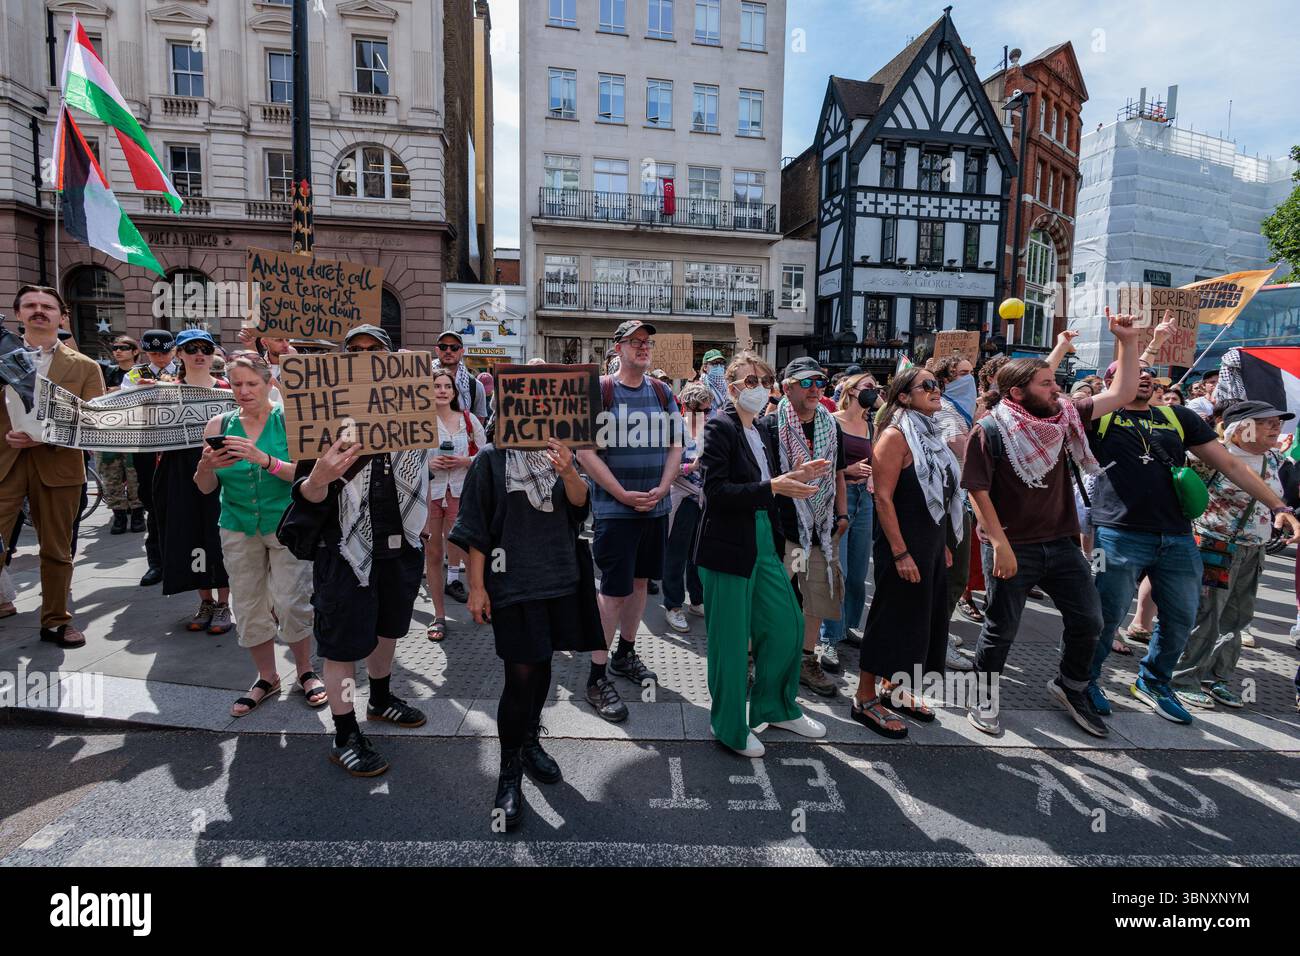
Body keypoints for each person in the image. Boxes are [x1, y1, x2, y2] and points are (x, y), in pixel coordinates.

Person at [1086, 353, 1300, 724]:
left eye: (1150, 374)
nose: (1145, 377)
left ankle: (1154, 681)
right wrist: (1136, 343)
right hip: (1119, 533)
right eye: (1134, 373)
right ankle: (1083, 681)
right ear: (1113, 383)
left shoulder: (1178, 418)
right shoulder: (1101, 418)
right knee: (1106, 616)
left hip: (1177, 537)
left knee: (1184, 617)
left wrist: (1279, 506)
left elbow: (1230, 465)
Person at [961, 310, 1143, 737]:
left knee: (1090, 621)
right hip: (1012, 545)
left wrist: (1129, 341)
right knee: (1000, 627)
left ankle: (1070, 685)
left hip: (1061, 543)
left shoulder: (1065, 415)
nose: (1057, 388)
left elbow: (1122, 393)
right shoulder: (989, 429)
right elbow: (976, 489)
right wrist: (1000, 544)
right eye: (1047, 383)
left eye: (1056, 381)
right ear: (1018, 393)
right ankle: (983, 694)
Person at [291, 336, 431, 777]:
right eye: (356, 352)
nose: (367, 358)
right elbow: (306, 494)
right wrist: (320, 476)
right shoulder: (322, 417)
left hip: (400, 545)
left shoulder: (409, 415)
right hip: (345, 552)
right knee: (344, 646)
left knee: (388, 630)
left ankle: (383, 698)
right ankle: (345, 730)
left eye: (377, 351)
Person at [451, 437, 605, 828]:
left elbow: (579, 506)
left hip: (559, 576)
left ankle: (530, 742)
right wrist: (477, 586)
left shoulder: (558, 451)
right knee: (520, 677)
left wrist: (568, 469)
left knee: (542, 664)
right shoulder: (490, 458)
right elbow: (475, 527)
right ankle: (509, 771)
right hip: (512, 584)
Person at [696, 352, 830, 756]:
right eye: (749, 379)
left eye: (764, 380)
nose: (758, 386)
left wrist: (798, 477)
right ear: (732, 385)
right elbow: (715, 492)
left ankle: (777, 705)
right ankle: (731, 726)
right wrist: (773, 487)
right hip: (726, 544)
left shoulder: (763, 430)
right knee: (732, 642)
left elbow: (768, 481)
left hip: (763, 540)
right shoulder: (720, 426)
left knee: (787, 623)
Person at [194, 353, 326, 716]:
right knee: (248, 603)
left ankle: (305, 671)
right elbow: (204, 488)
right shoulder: (219, 424)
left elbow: (307, 476)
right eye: (237, 384)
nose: (244, 391)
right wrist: (207, 465)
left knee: (291, 599)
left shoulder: (290, 421)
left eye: (252, 383)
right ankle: (266, 677)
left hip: (285, 524)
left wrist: (262, 458)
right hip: (237, 524)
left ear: (270, 384)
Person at [576, 319, 682, 722]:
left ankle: (625, 654)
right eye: (635, 342)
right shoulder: (599, 392)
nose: (643, 347)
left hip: (655, 508)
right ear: (617, 347)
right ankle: (596, 675)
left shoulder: (662, 391)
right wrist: (620, 493)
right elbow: (584, 450)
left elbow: (678, 443)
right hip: (615, 511)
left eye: (647, 342)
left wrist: (664, 486)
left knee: (640, 583)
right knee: (613, 591)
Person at [851, 365, 963, 738]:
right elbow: (882, 498)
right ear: (903, 396)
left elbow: (942, 496)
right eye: (927, 385)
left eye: (939, 384)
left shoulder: (932, 433)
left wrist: (944, 542)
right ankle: (865, 697)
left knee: (921, 620)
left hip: (929, 541)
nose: (936, 390)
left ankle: (894, 688)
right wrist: (900, 553)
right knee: (891, 617)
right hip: (902, 543)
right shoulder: (896, 436)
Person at [0, 285, 105, 648]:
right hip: (5, 464)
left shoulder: (84, 366)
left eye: (47, 306)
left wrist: (43, 437)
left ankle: (57, 621)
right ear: (18, 313)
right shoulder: (3, 357)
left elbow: (94, 420)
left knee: (57, 550)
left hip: (58, 466)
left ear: (62, 316)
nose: (38, 311)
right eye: (30, 305)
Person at [1171, 401, 1292, 709]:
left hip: (1254, 550)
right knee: (1207, 615)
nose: (1276, 426)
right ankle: (1183, 677)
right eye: (1266, 422)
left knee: (1237, 618)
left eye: (1278, 421)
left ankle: (1217, 678)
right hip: (1216, 545)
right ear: (1240, 427)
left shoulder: (1275, 459)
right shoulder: (1210, 457)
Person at [766, 357, 848, 698]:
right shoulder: (769, 426)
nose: (816, 389)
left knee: (815, 597)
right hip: (784, 531)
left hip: (822, 529)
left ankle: (805, 660)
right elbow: (765, 480)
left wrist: (842, 515)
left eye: (820, 383)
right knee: (776, 598)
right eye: (807, 383)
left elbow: (837, 473)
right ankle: (761, 658)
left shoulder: (831, 425)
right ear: (788, 387)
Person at [152, 328, 233, 631]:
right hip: (179, 471)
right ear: (179, 354)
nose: (200, 354)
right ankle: (205, 599)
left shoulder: (228, 389)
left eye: (206, 349)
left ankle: (224, 602)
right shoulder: (165, 391)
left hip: (223, 471)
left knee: (220, 534)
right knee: (189, 535)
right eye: (192, 349)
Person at [816, 372, 879, 669]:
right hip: (839, 499)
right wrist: (848, 470)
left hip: (864, 501)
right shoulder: (832, 420)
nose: (874, 391)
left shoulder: (871, 426)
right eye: (868, 387)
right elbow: (824, 463)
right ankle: (828, 638)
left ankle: (847, 626)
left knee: (857, 573)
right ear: (851, 391)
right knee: (835, 572)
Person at [423, 364, 486, 641]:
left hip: (462, 493)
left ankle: (479, 600)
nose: (442, 391)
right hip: (431, 494)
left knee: (469, 552)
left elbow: (486, 457)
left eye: (447, 386)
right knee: (434, 555)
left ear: (454, 391)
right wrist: (429, 463)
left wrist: (464, 461)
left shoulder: (469, 419)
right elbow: (408, 460)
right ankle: (438, 616)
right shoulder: (420, 422)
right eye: (437, 386)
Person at [125, 328, 179, 586]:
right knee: (152, 503)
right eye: (154, 352)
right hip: (147, 447)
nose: (160, 358)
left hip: (180, 445)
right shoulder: (134, 375)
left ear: (174, 350)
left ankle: (181, 560)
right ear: (145, 352)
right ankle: (156, 562)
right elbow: (122, 403)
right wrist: (138, 391)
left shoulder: (184, 370)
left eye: (164, 352)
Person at [662, 381, 710, 632]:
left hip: (704, 498)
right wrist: (687, 467)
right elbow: (664, 464)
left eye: (708, 410)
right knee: (676, 554)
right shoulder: (675, 428)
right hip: (682, 497)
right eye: (700, 409)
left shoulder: (709, 429)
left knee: (697, 554)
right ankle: (673, 604)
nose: (705, 414)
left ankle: (697, 599)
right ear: (687, 407)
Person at [98, 335, 146, 535]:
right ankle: (118, 515)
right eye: (115, 348)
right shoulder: (107, 372)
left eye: (124, 348)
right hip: (110, 432)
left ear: (135, 351)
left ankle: (137, 514)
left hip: (135, 431)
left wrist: (121, 390)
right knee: (111, 475)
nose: (118, 351)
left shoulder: (142, 372)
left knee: (136, 475)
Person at [433, 329, 489, 420]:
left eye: (454, 347)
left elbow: (478, 422)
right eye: (443, 346)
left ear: (462, 351)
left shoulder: (475, 386)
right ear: (437, 350)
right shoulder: (423, 379)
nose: (448, 351)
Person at [700, 348, 728, 417]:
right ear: (705, 367)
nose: (719, 367)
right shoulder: (699, 387)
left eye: (721, 364)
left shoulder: (729, 388)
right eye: (714, 364)